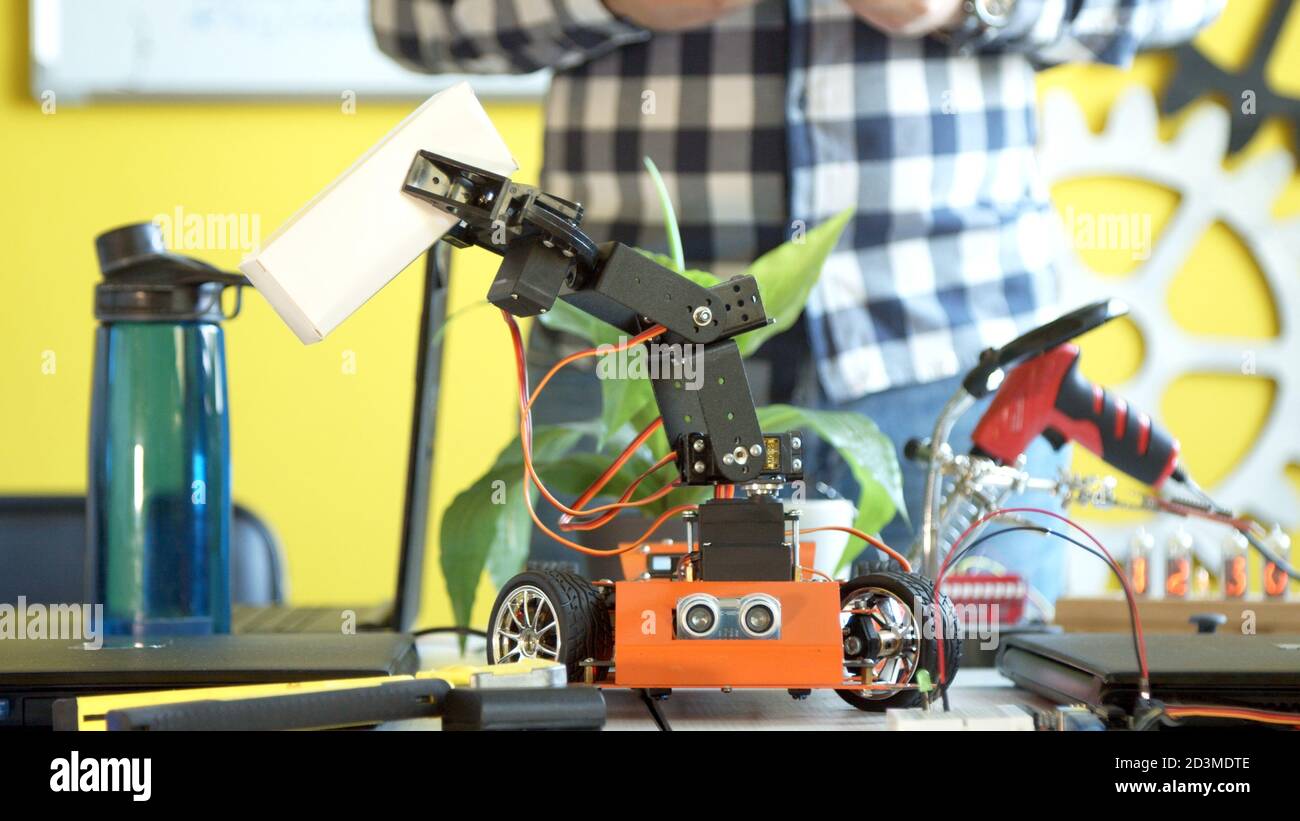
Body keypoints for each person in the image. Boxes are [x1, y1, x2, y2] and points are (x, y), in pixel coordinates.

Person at [372, 0, 1222, 603]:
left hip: (956, 382)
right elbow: (404, 14)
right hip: (627, 388)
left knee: (974, 693)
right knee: (615, 684)